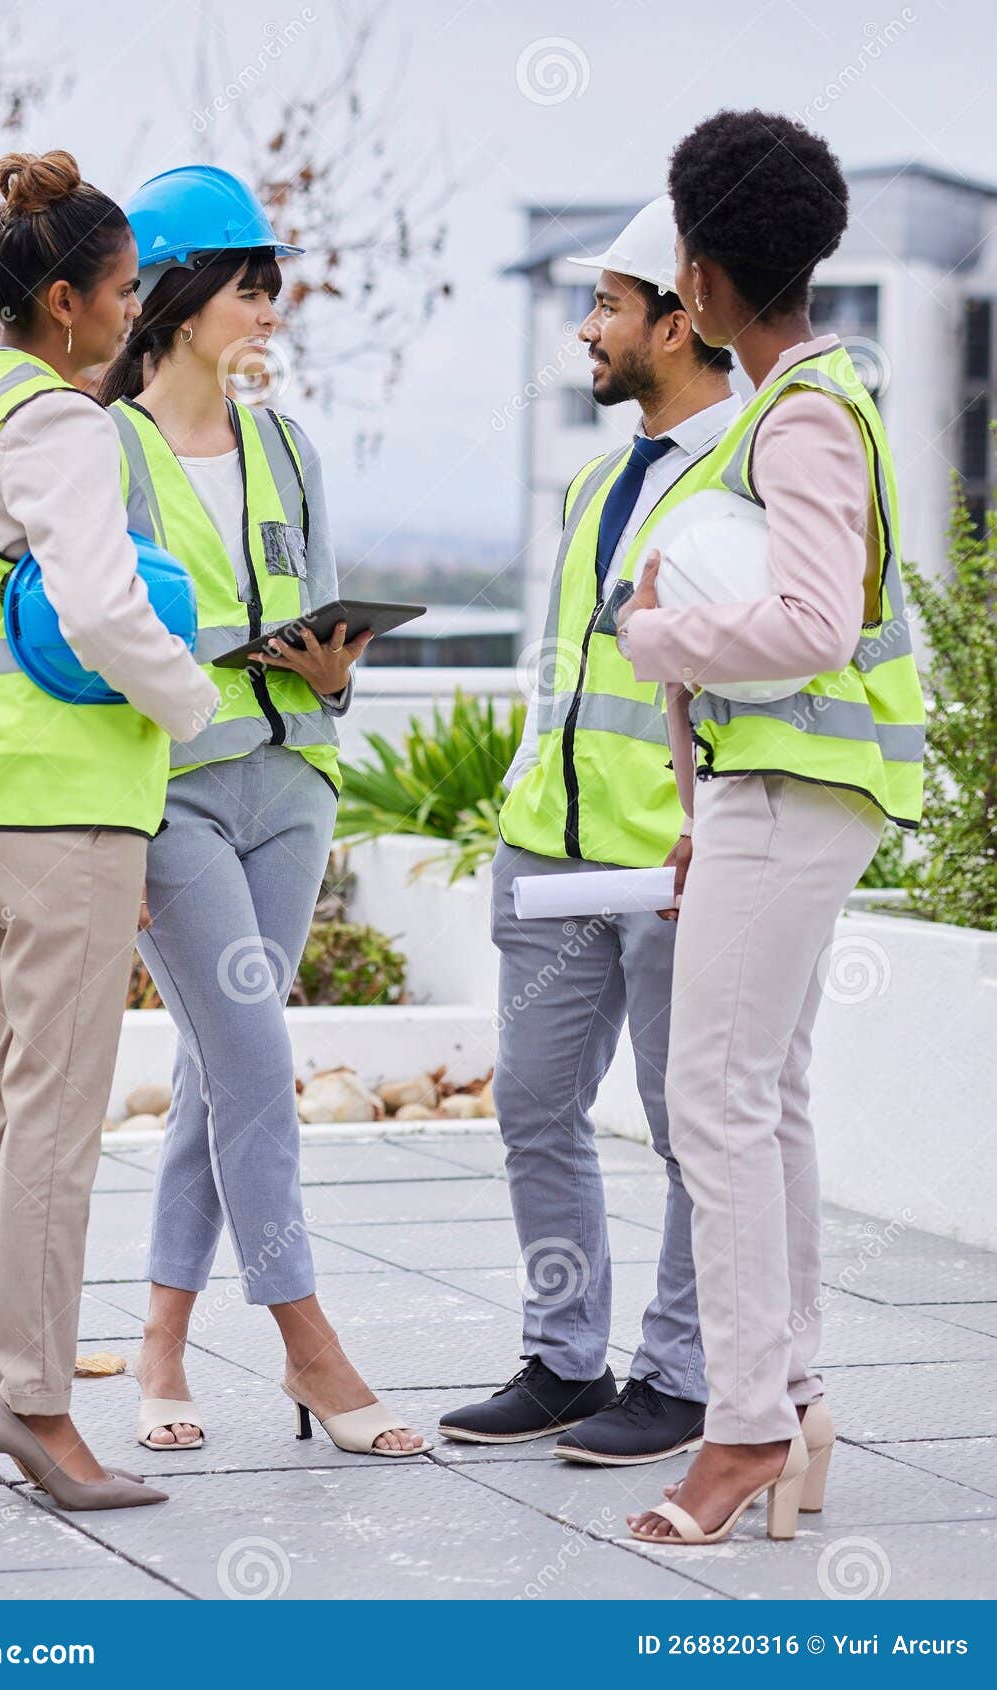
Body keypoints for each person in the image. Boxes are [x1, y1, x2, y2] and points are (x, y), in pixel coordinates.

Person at [0, 150, 220, 1512]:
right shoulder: (63, 423)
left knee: (16, 1106)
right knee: (58, 1118)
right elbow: (105, 608)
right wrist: (189, 709)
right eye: (125, 290)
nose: (136, 312)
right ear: (65, 300)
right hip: (55, 800)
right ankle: (42, 1406)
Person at [619, 112, 925, 1545]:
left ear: (698, 272)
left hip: (793, 796)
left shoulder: (798, 412)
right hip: (782, 799)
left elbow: (804, 625)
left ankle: (739, 1423)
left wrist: (661, 635)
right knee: (766, 1094)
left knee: (714, 1103)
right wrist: (709, 804)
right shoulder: (815, 398)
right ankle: (788, 1393)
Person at [97, 166, 430, 1459]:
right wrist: (109, 832)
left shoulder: (285, 444)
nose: (268, 311)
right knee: (251, 1064)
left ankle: (162, 1341)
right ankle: (307, 1339)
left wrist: (334, 671)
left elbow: (323, 609)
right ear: (180, 296)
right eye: (250, 287)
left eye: (272, 288)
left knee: (215, 1069)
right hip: (170, 795)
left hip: (291, 788)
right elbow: (89, 650)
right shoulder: (107, 448)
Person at [439, 198, 740, 1463]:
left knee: (690, 1134)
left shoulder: (752, 470)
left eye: (608, 307)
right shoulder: (594, 478)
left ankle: (681, 1375)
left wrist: (718, 827)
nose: (586, 331)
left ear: (678, 319)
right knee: (536, 1109)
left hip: (673, 860)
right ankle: (567, 1360)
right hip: (549, 851)